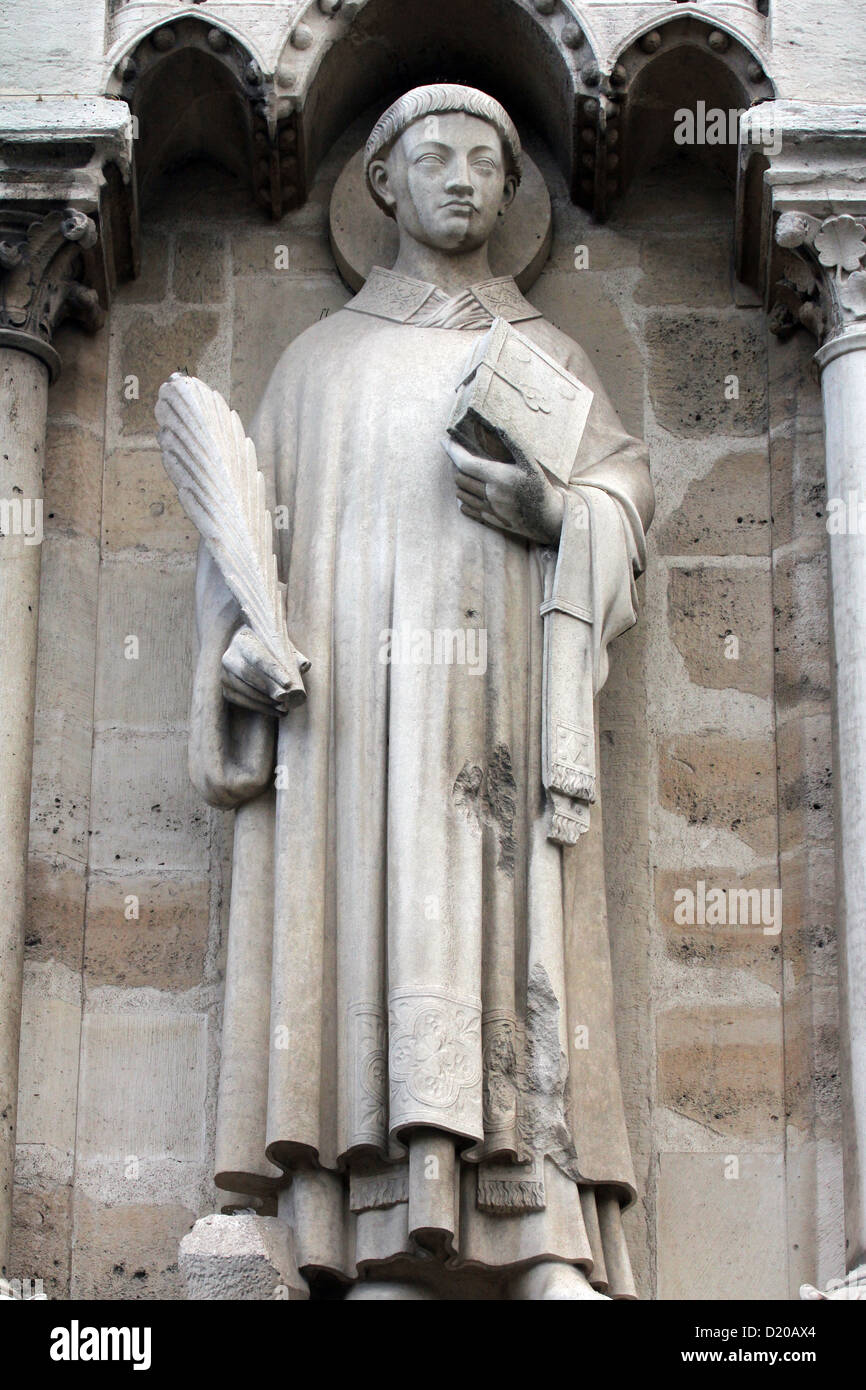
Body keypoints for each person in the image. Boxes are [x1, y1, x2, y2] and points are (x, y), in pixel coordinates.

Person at [189, 83, 654, 1300]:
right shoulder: (316, 366)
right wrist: (239, 659)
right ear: (381, 184)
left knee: (522, 947)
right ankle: (372, 1236)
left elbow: (621, 504)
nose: (461, 179)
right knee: (366, 946)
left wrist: (559, 515)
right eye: (433, 156)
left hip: (499, 714)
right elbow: (243, 563)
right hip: (352, 739)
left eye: (485, 163)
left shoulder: (543, 360)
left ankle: (543, 1236)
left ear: (511, 193)